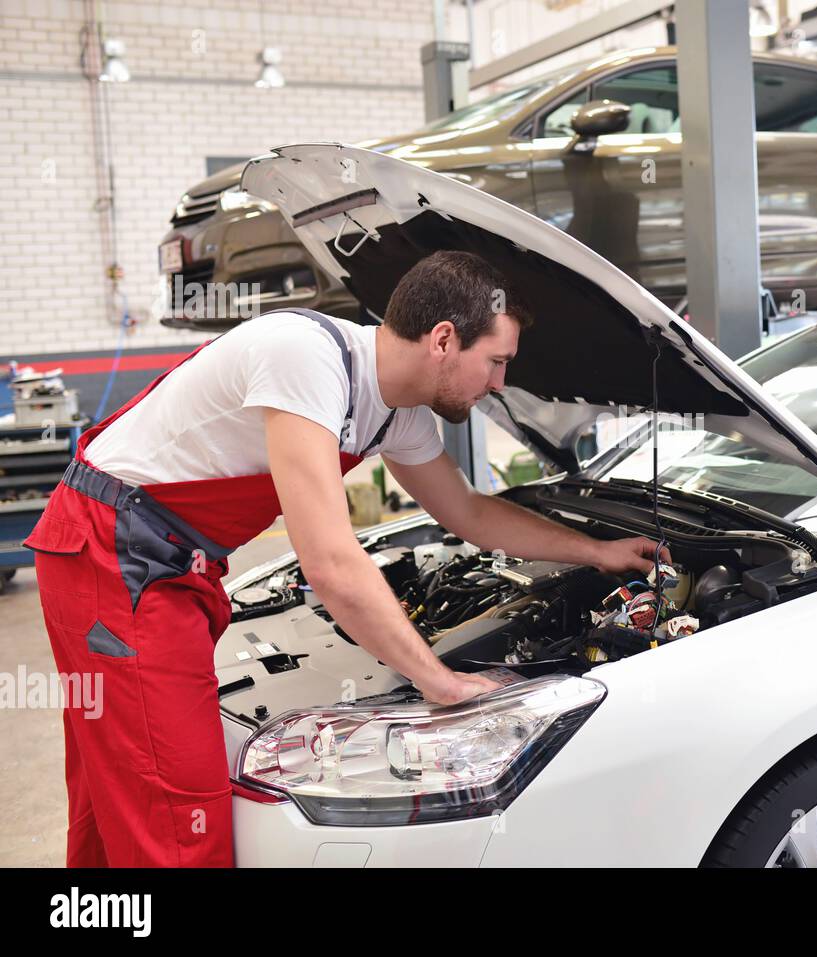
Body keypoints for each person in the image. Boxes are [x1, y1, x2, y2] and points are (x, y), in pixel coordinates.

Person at [25, 249, 666, 867]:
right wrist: (435, 679)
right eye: (496, 361)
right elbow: (329, 561)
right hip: (114, 557)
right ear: (443, 340)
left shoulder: (398, 415)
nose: (501, 383)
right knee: (179, 811)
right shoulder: (305, 356)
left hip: (167, 561)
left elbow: (468, 513)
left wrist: (597, 551)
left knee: (115, 794)